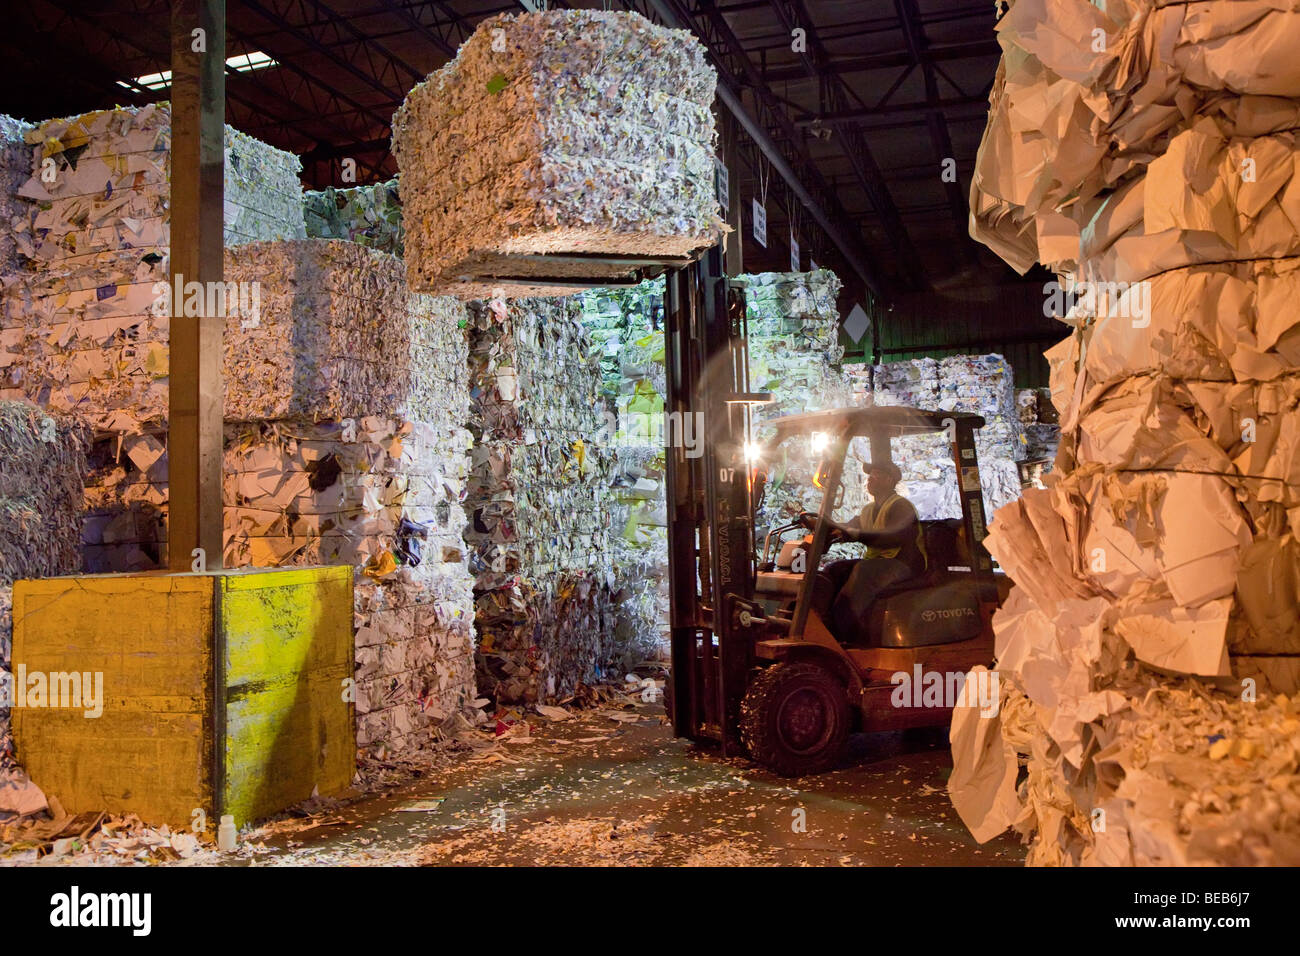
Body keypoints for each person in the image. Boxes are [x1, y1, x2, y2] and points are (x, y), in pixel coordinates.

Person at [801, 460, 927, 642]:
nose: (869, 479)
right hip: (880, 562)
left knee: (863, 573)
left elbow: (894, 536)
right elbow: (847, 527)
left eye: (875, 475)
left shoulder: (901, 506)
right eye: (869, 475)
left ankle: (845, 632)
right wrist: (824, 526)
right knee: (833, 570)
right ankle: (823, 623)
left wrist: (858, 534)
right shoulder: (868, 510)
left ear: (889, 480)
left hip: (904, 563)